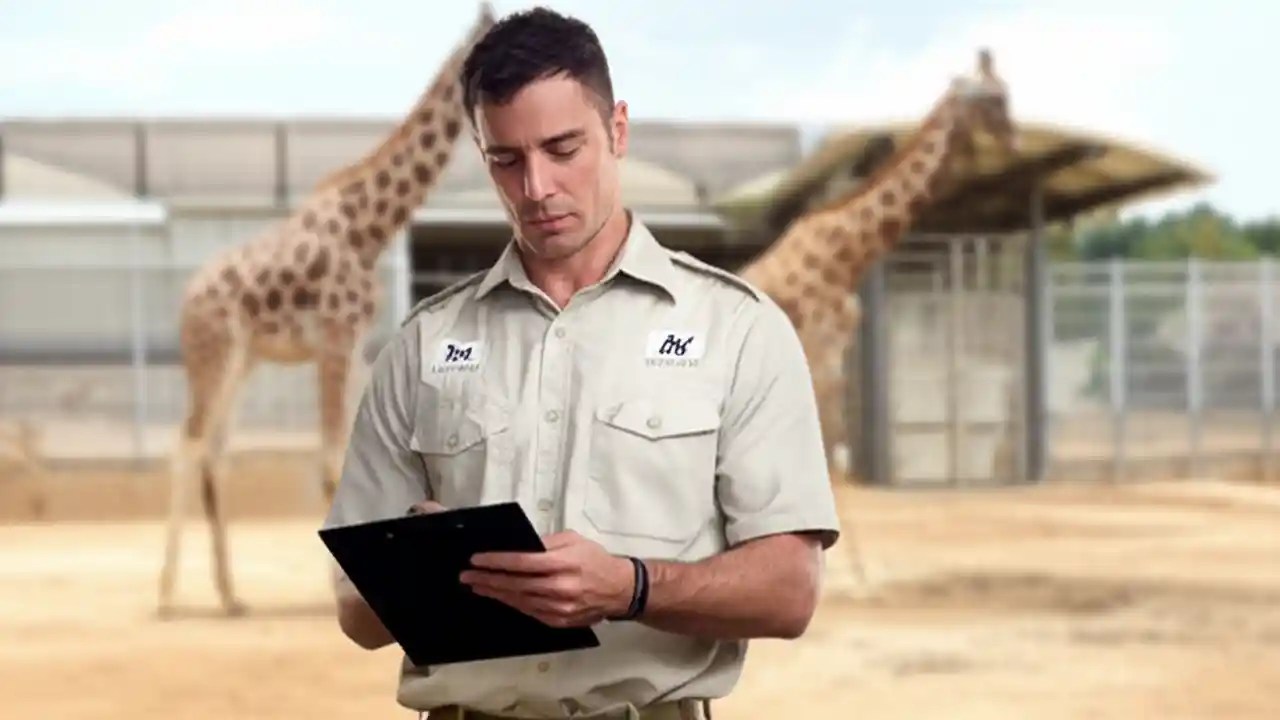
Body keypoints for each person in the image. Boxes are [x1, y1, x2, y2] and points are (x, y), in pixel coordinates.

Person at [322, 6, 842, 719]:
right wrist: (437, 568)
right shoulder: (420, 345)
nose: (535, 187)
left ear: (617, 129)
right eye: (507, 159)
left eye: (563, 148)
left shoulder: (738, 330)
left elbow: (790, 592)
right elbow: (356, 613)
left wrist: (630, 587)